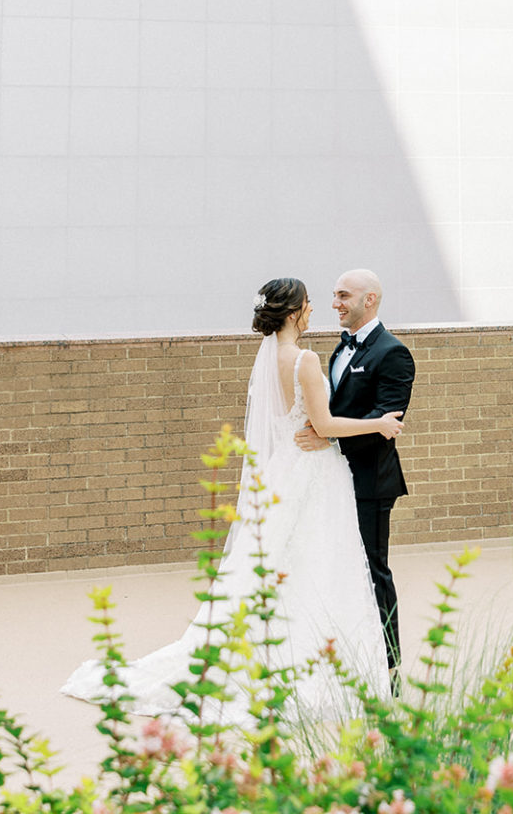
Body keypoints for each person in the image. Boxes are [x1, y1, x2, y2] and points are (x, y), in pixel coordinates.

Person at [60, 277, 403, 720]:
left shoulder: (271, 358)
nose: (316, 308)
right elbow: (324, 424)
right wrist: (378, 424)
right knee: (317, 562)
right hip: (313, 472)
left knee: (288, 564)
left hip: (287, 470)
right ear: (294, 311)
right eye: (310, 302)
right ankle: (312, 662)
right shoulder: (305, 359)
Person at [294, 269, 415, 691]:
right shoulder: (337, 350)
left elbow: (386, 419)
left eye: (343, 295)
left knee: (373, 571)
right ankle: (352, 658)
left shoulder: (393, 353)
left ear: (370, 299)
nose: (335, 303)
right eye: (334, 295)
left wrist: (327, 435)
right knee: (342, 569)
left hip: (370, 483)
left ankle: (390, 667)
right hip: (334, 479)